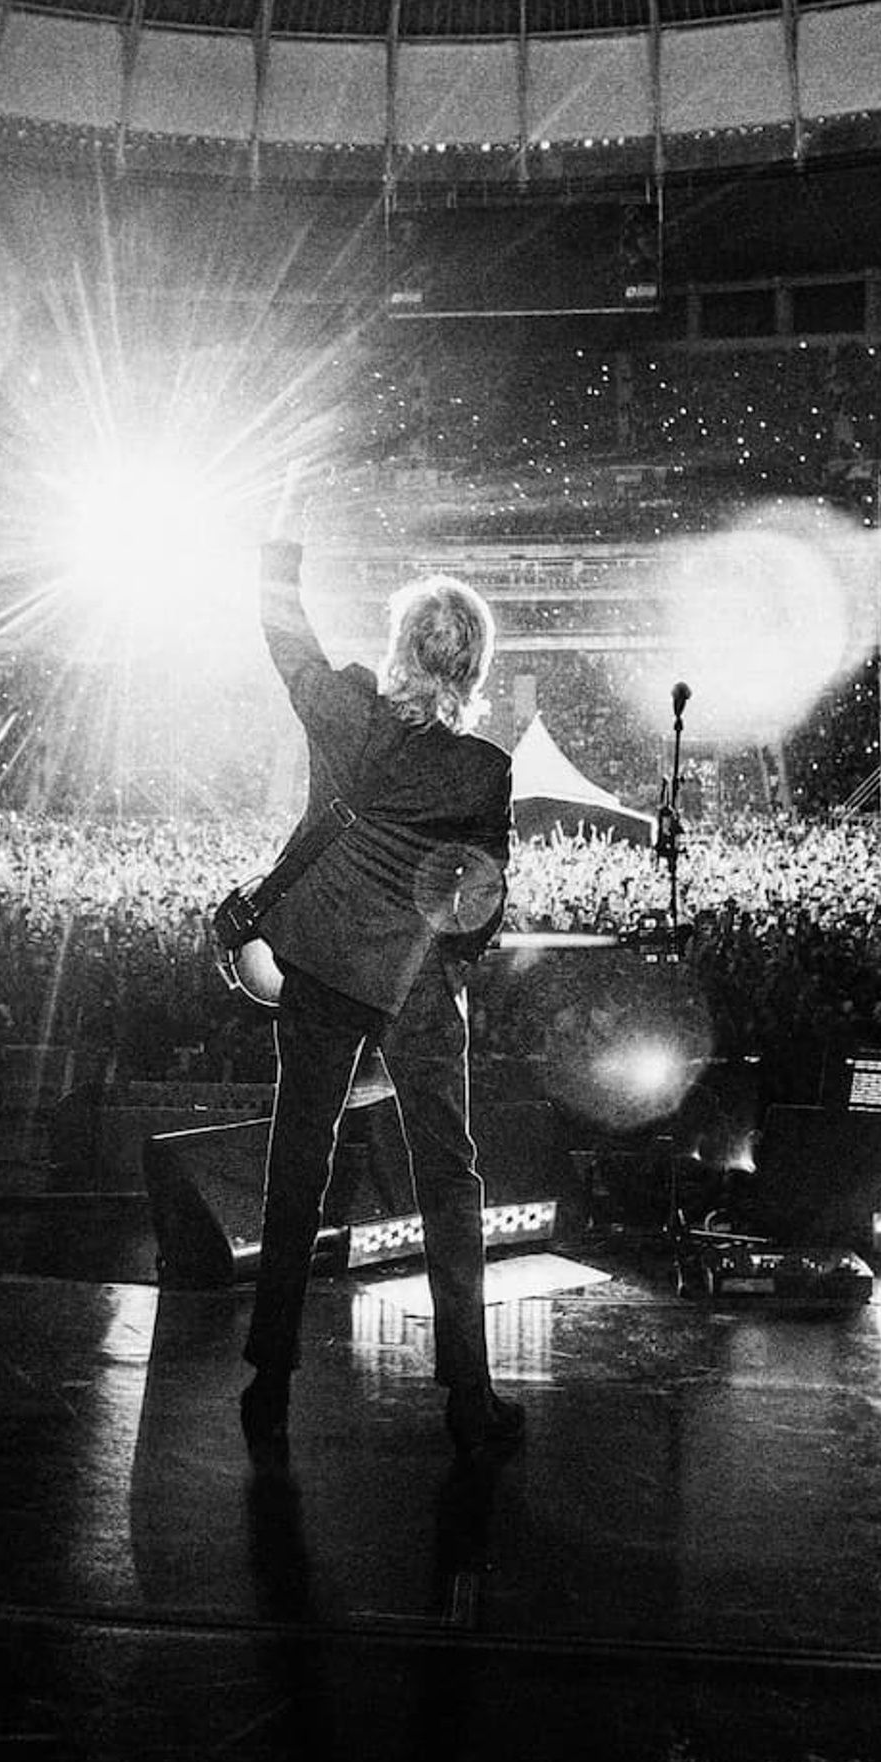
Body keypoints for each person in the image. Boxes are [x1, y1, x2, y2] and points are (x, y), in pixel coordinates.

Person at [238, 488, 522, 1458]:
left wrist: (280, 544)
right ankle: (469, 1395)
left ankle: (269, 1373)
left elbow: (286, 635)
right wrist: (451, 962)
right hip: (413, 988)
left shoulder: (345, 710)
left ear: (403, 646)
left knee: (296, 1166)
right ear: (474, 664)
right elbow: (478, 901)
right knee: (449, 1178)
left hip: (318, 968)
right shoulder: (483, 770)